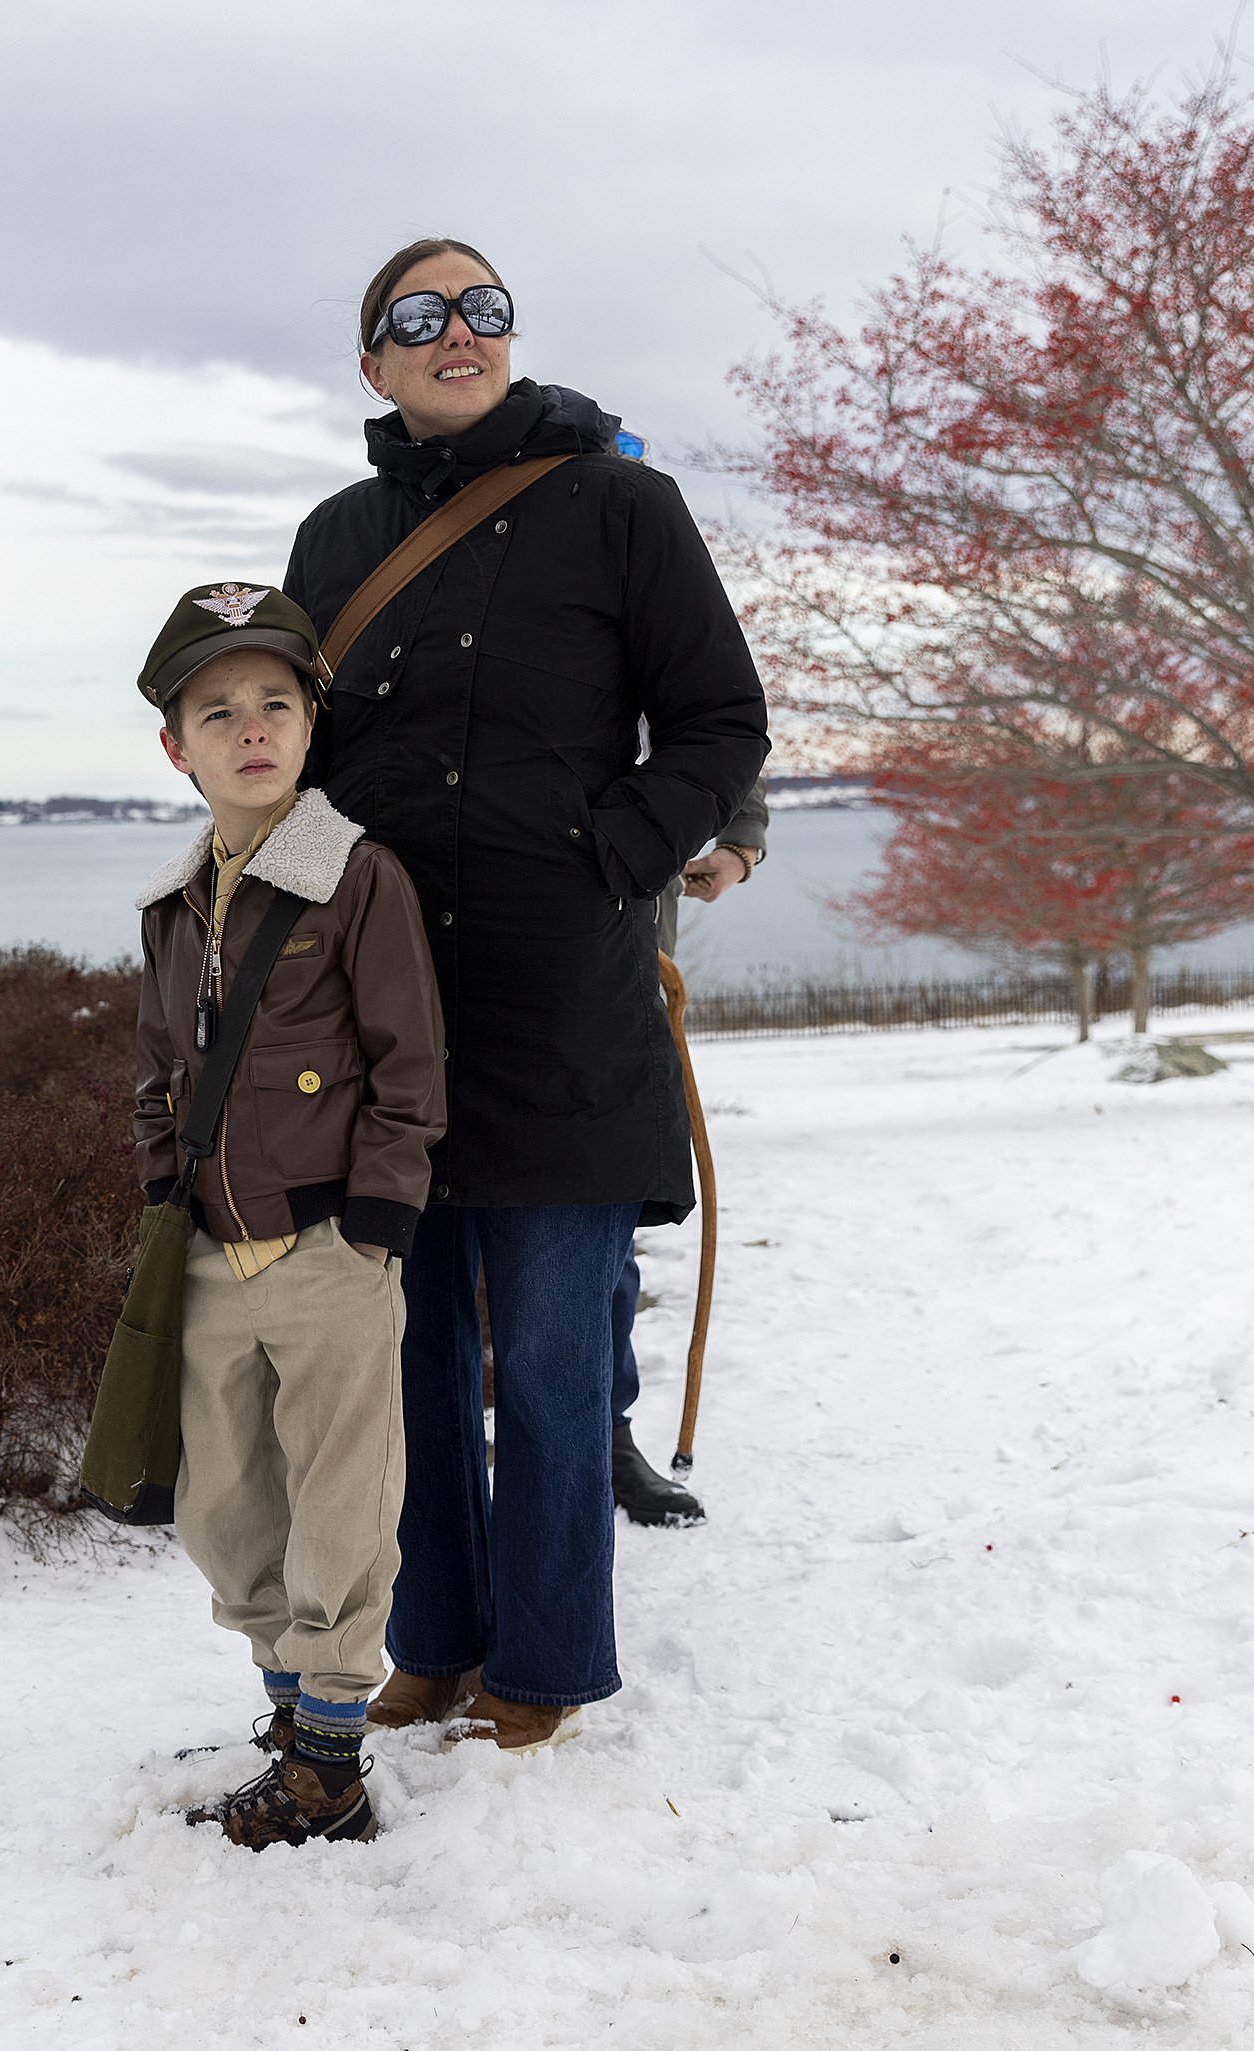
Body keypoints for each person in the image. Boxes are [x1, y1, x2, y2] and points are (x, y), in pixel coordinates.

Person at [283, 238, 768, 1748]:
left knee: (556, 1359)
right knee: (407, 1355)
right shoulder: (337, 534)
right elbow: (297, 760)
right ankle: (431, 1639)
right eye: (418, 319)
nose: (458, 333)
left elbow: (718, 720)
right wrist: (291, 937)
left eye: (483, 309)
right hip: (386, 1005)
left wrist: (609, 855)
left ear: (511, 336)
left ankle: (547, 1666)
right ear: (375, 364)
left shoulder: (625, 505)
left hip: (564, 999)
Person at [130, 583, 447, 1849]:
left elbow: (408, 1059)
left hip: (329, 1240)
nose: (250, 729)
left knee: (340, 1502)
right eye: (219, 711)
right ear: (177, 745)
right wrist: (167, 1189)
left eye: (275, 703)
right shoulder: (168, 902)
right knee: (227, 1502)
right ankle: (285, 1715)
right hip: (213, 1248)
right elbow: (155, 1067)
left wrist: (378, 1214)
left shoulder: (357, 877)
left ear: (311, 725)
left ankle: (329, 1765)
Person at [609, 782, 770, 1528]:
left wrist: (738, 838)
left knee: (602, 1226)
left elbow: (717, 705)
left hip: (615, 971)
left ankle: (604, 1437)